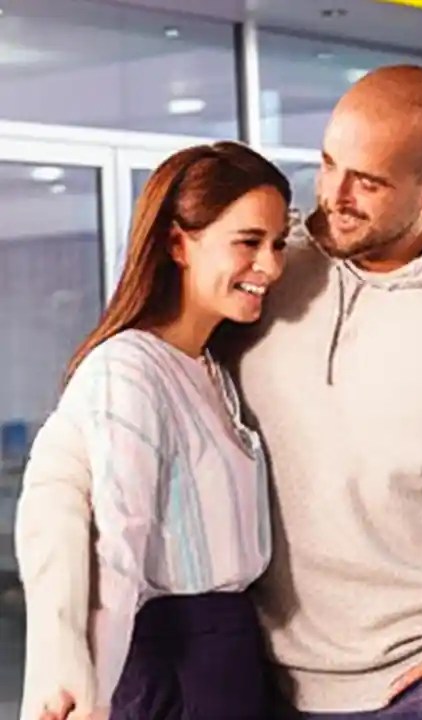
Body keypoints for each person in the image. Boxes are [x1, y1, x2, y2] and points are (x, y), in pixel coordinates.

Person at [35, 62, 422, 719]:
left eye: (369, 182)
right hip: (258, 681)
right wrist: (66, 658)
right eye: (328, 163)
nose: (334, 194)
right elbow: (82, 466)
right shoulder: (267, 275)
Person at [16, 141, 293, 720]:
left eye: (278, 244)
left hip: (232, 657)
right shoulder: (131, 369)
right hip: (174, 663)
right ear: (177, 243)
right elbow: (117, 553)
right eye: (248, 242)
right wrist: (91, 702)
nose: (269, 266)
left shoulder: (210, 367)